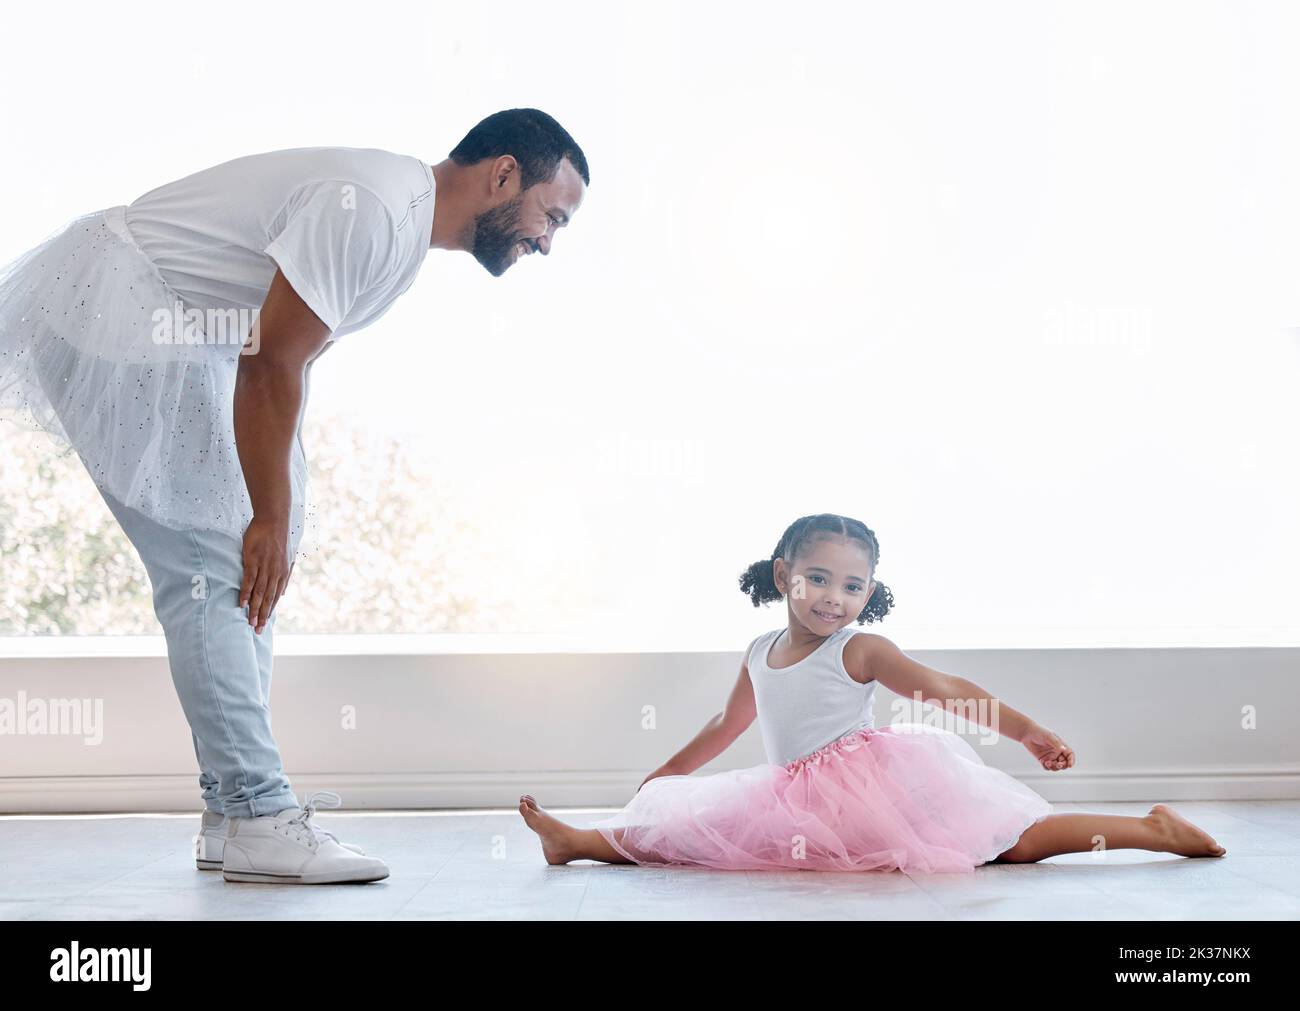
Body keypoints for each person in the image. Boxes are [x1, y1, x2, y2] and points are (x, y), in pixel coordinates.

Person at [0, 108, 589, 884]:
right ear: (504, 174)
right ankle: (256, 812)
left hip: (165, 316)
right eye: (552, 215)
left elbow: (284, 362)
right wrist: (268, 518)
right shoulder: (376, 212)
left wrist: (277, 515)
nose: (546, 241)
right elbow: (269, 364)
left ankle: (230, 811)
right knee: (214, 560)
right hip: (123, 300)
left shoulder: (397, 233)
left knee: (247, 552)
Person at [519, 513, 1228, 872]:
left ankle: (1153, 829)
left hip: (874, 783)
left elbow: (947, 690)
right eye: (819, 578)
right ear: (782, 574)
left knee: (1009, 844)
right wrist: (673, 769)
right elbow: (729, 720)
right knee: (693, 831)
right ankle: (576, 840)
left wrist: (1027, 732)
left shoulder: (858, 648)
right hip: (793, 794)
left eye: (853, 585)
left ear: (870, 592)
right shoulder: (759, 650)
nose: (834, 597)